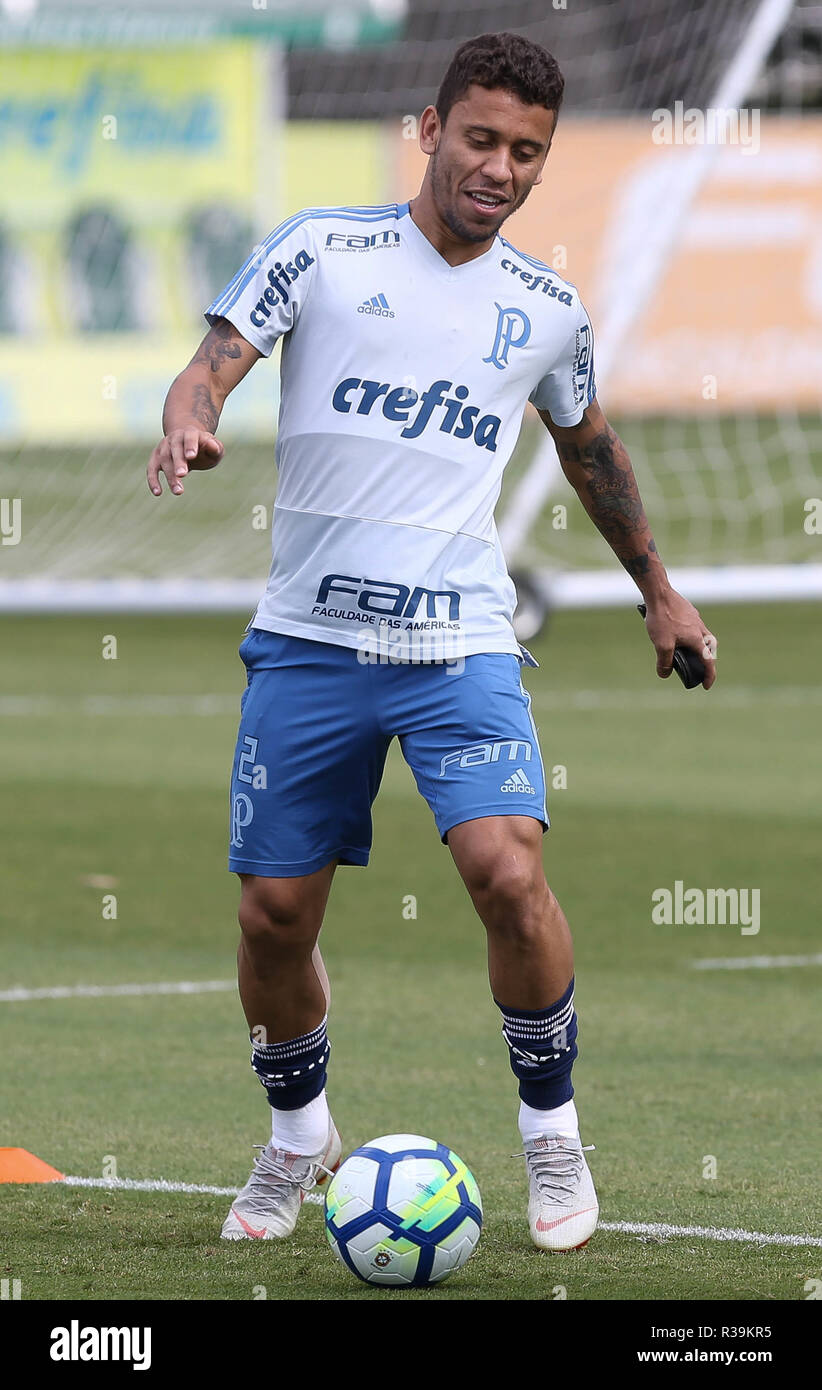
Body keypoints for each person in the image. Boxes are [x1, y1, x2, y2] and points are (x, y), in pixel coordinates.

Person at [147, 31, 717, 1255]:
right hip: (307, 641)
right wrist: (190, 426)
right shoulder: (324, 250)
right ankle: (301, 1135)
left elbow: (592, 449)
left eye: (528, 152)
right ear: (429, 127)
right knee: (271, 917)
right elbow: (207, 369)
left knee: (508, 872)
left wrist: (660, 592)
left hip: (461, 639)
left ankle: (551, 1129)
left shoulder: (547, 311)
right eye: (481, 138)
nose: (500, 167)